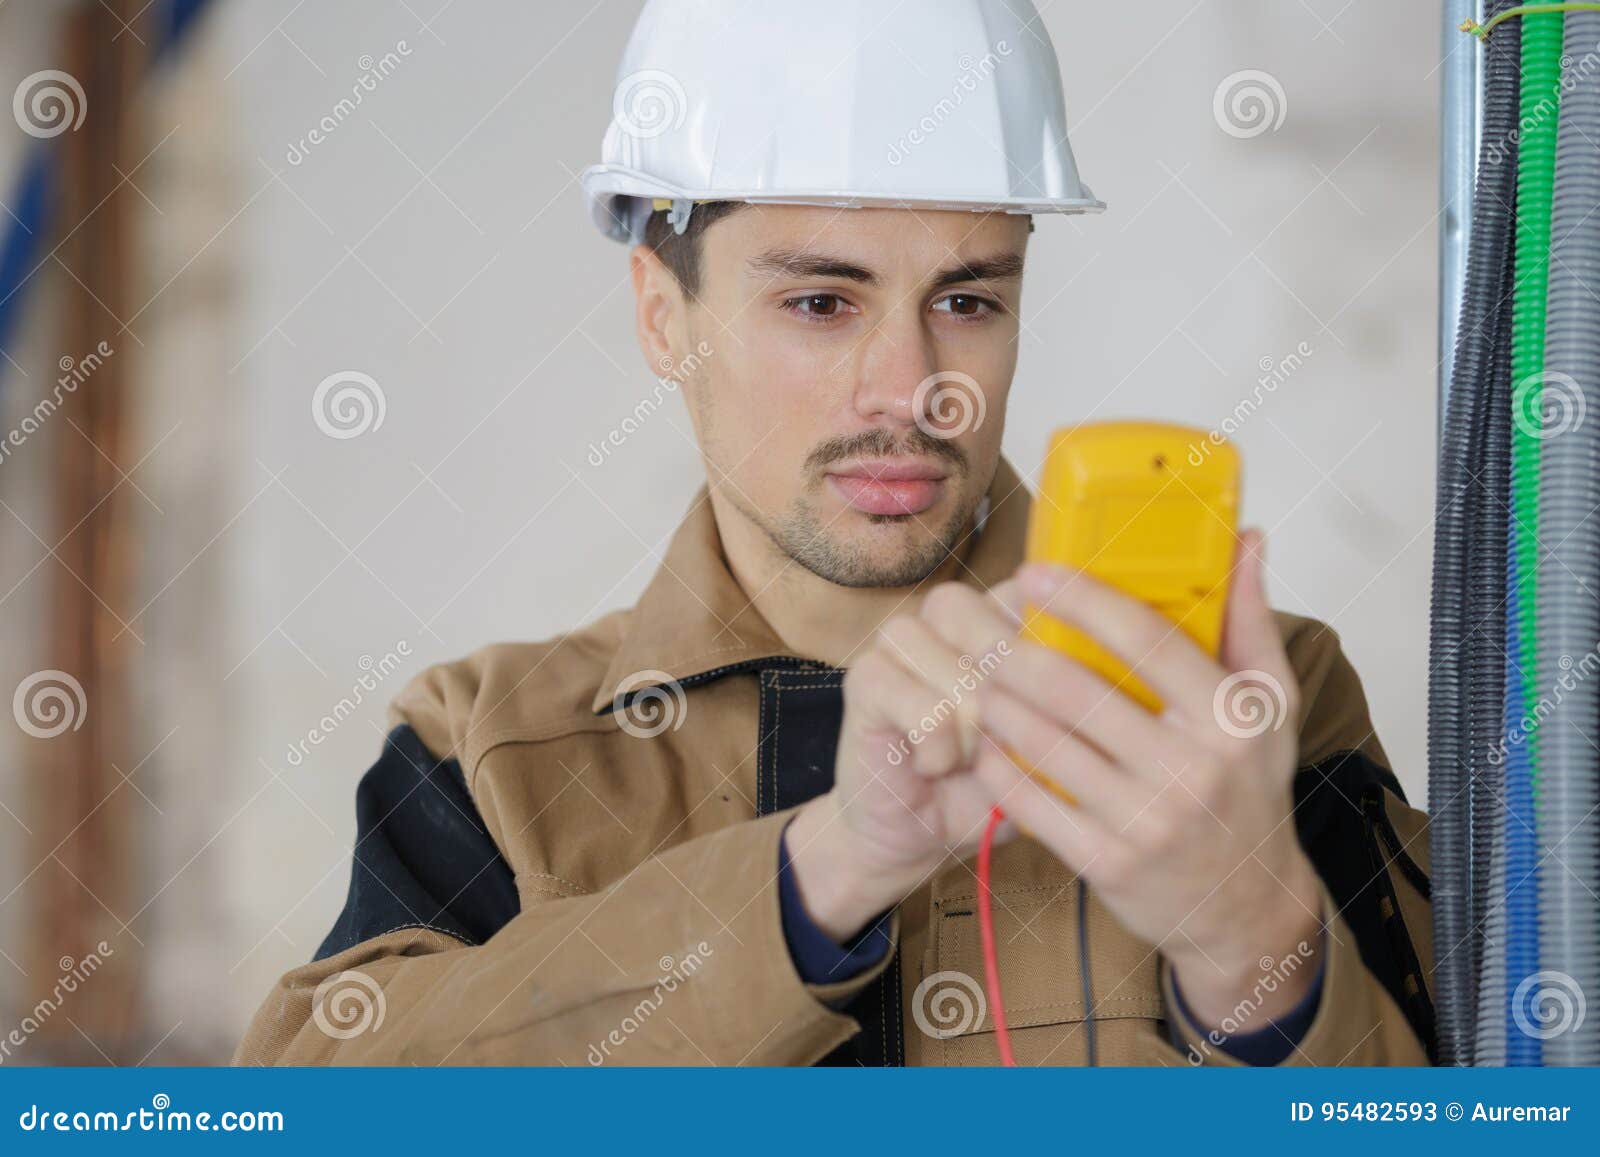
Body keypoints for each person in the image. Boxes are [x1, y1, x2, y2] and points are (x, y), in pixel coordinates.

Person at [234, 0, 1434, 1067]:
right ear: (663, 317)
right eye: (820, 301)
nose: (913, 389)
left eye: (966, 298)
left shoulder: (1243, 708)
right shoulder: (497, 752)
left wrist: (1256, 942)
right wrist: (827, 869)